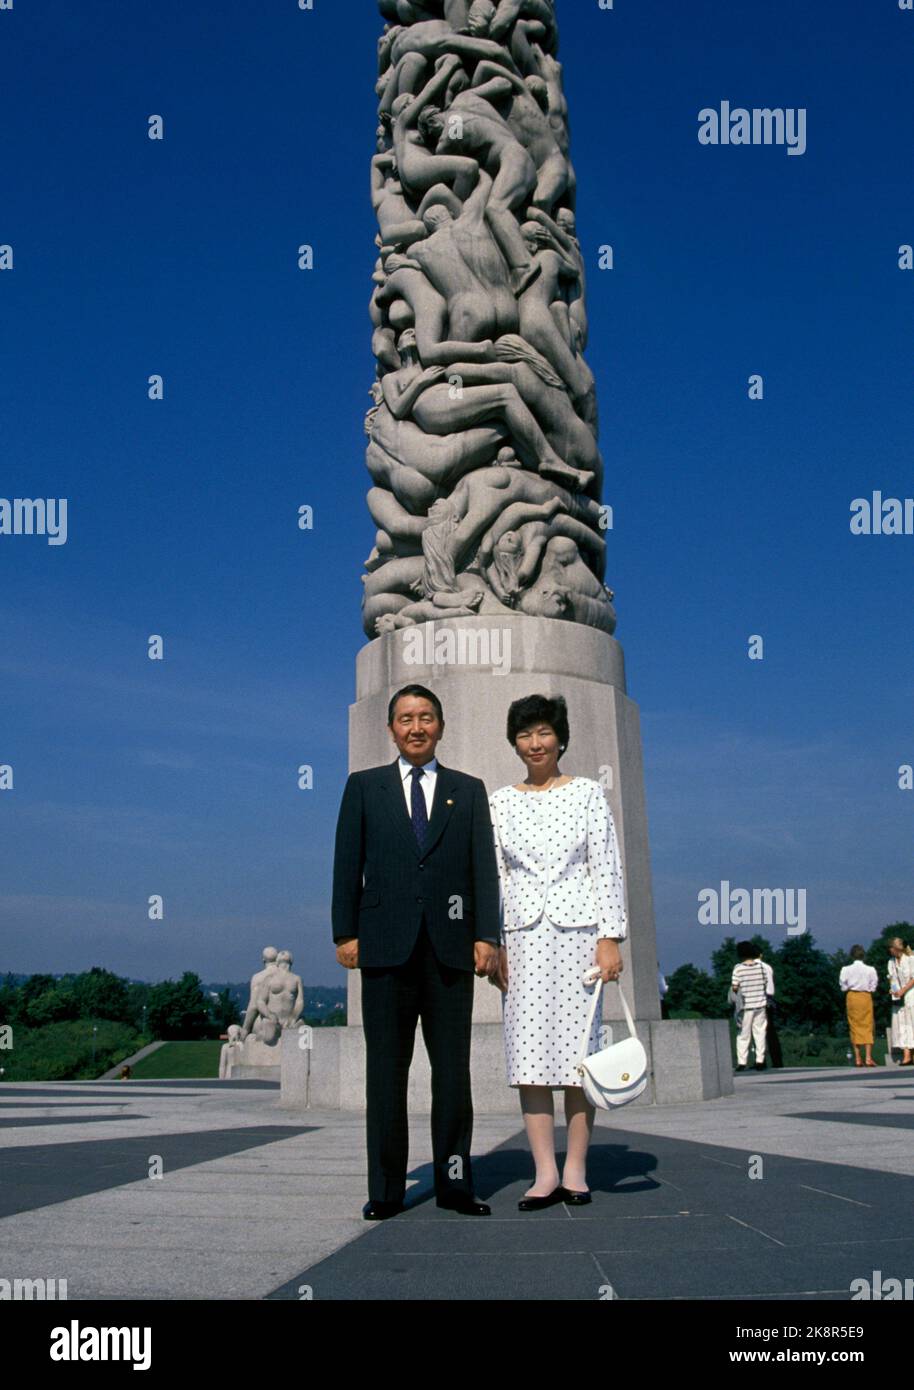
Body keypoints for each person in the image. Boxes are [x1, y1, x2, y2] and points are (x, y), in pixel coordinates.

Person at [332, 684, 501, 1219]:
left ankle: (454, 1183)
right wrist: (344, 933)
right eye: (405, 718)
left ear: (440, 726)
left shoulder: (468, 790)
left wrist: (487, 936)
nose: (416, 727)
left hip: (451, 951)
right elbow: (346, 864)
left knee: (452, 1073)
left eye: (426, 717)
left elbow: (482, 870)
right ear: (391, 729)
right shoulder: (364, 787)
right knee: (386, 1073)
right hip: (383, 949)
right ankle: (385, 1189)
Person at [488, 693, 627, 1210]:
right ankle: (543, 1170)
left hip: (579, 937)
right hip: (522, 938)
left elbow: (606, 865)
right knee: (529, 1059)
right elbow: (496, 875)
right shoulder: (500, 801)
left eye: (544, 733)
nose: (535, 743)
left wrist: (610, 936)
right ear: (514, 743)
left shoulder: (589, 794)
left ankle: (576, 1168)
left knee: (579, 1059)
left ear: (561, 737)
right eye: (525, 735)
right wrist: (495, 941)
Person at [839, 945, 878, 1067]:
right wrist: (869, 989)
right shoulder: (870, 969)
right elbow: (874, 984)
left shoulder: (846, 969)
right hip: (865, 996)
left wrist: (847, 988)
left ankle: (857, 1058)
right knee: (867, 1025)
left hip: (852, 996)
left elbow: (843, 984)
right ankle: (868, 1057)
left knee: (854, 1026)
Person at [731, 942, 768, 1071]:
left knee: (743, 1035)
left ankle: (742, 1062)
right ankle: (760, 1061)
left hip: (745, 1007)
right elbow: (765, 983)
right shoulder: (761, 968)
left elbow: (735, 987)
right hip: (760, 1005)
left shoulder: (738, 969)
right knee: (760, 1033)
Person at [887, 937, 914, 1066]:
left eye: (890, 948)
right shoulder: (891, 962)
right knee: (902, 1025)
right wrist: (894, 991)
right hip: (898, 997)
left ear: (895, 948)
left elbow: (913, 978)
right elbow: (891, 979)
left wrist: (903, 990)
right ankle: (906, 1055)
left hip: (910, 994)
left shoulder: (910, 959)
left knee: (912, 1023)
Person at [759, 952, 782, 1069]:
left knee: (758, 1033)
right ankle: (777, 1061)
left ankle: (761, 1062)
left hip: (757, 1001)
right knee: (771, 1033)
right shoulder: (767, 967)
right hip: (768, 1001)